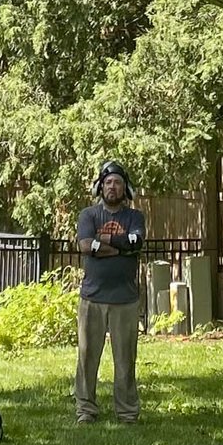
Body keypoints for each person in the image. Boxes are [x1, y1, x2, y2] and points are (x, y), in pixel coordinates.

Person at [72, 160, 145, 423]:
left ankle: (127, 413)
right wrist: (122, 247)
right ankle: (86, 411)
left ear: (126, 189)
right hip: (92, 298)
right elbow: (83, 245)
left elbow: (136, 241)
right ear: (100, 187)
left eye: (117, 183)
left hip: (125, 300)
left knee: (125, 360)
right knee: (87, 358)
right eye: (108, 182)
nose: (112, 187)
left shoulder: (135, 217)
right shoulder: (88, 215)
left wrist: (102, 241)